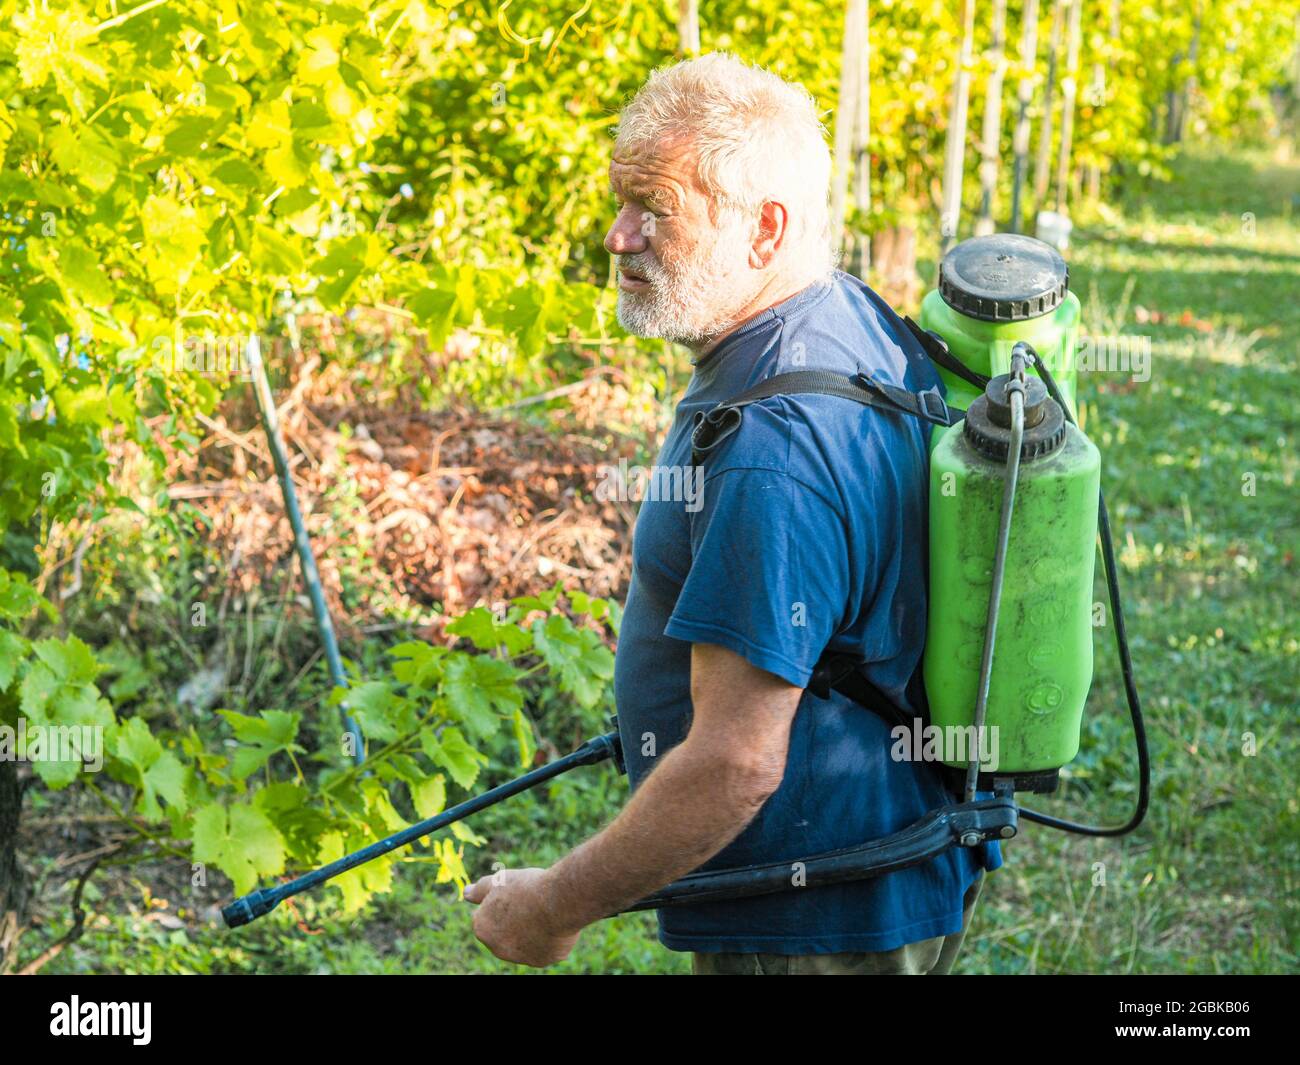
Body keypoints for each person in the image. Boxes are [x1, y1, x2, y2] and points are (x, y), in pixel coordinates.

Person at [464, 51, 999, 975]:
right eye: (621, 202)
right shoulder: (854, 319)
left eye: (655, 209)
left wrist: (552, 905)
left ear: (765, 230)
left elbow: (736, 765)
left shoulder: (773, 451)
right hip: (887, 859)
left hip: (812, 920)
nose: (618, 236)